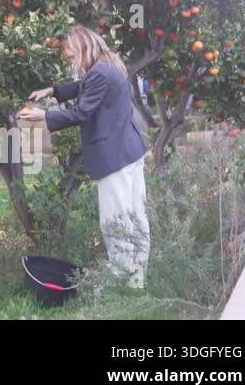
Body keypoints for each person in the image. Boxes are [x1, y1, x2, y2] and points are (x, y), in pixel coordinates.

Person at [18, 26, 150, 289]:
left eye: (70, 57)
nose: (71, 63)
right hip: (128, 152)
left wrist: (43, 116)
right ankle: (136, 279)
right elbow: (83, 86)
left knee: (116, 220)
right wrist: (52, 91)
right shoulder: (107, 66)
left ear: (82, 49)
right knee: (135, 217)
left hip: (114, 158)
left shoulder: (100, 72)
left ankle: (120, 280)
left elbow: (81, 113)